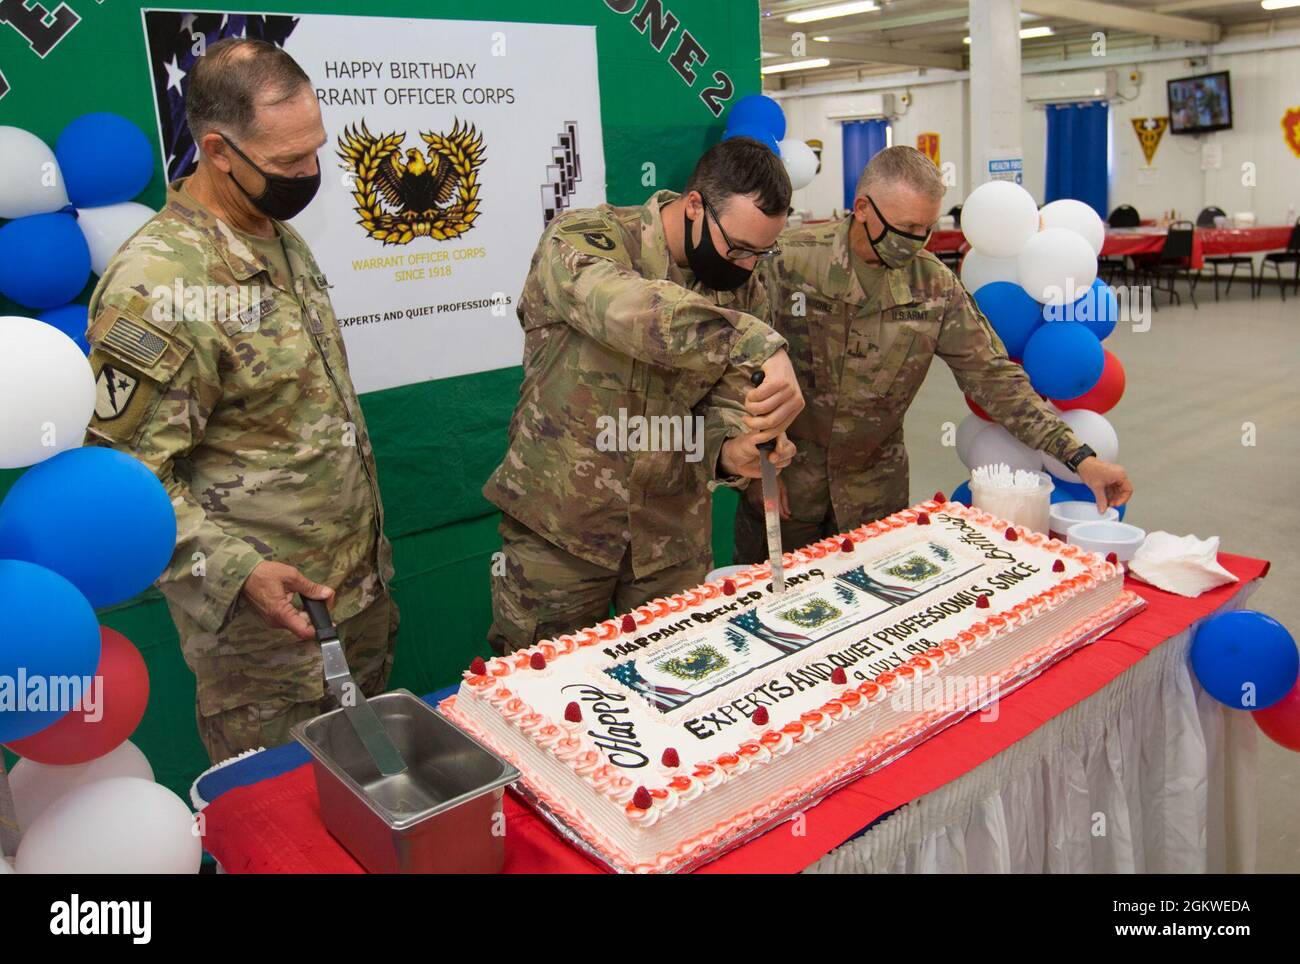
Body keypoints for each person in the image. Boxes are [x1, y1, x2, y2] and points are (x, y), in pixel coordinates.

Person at [82, 38, 396, 762]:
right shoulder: (156, 283)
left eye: (315, 150)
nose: (310, 173)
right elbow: (123, 482)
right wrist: (240, 573)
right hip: (262, 643)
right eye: (288, 163)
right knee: (281, 828)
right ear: (218, 151)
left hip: (352, 601)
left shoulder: (276, 238)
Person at [734, 146, 1132, 562]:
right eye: (905, 229)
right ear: (863, 207)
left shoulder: (933, 286)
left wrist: (1079, 458)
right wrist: (756, 461)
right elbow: (733, 360)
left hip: (873, 495)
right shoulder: (786, 261)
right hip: (783, 483)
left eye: (925, 230)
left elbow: (996, 378)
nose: (914, 244)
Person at [483, 137, 804, 653]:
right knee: (544, 690)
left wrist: (731, 450)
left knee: (673, 685)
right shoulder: (586, 240)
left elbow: (722, 399)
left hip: (671, 536)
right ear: (695, 205)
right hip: (564, 532)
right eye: (739, 248)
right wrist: (751, 339)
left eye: (761, 252)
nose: (747, 267)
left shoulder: (742, 286)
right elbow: (630, 311)